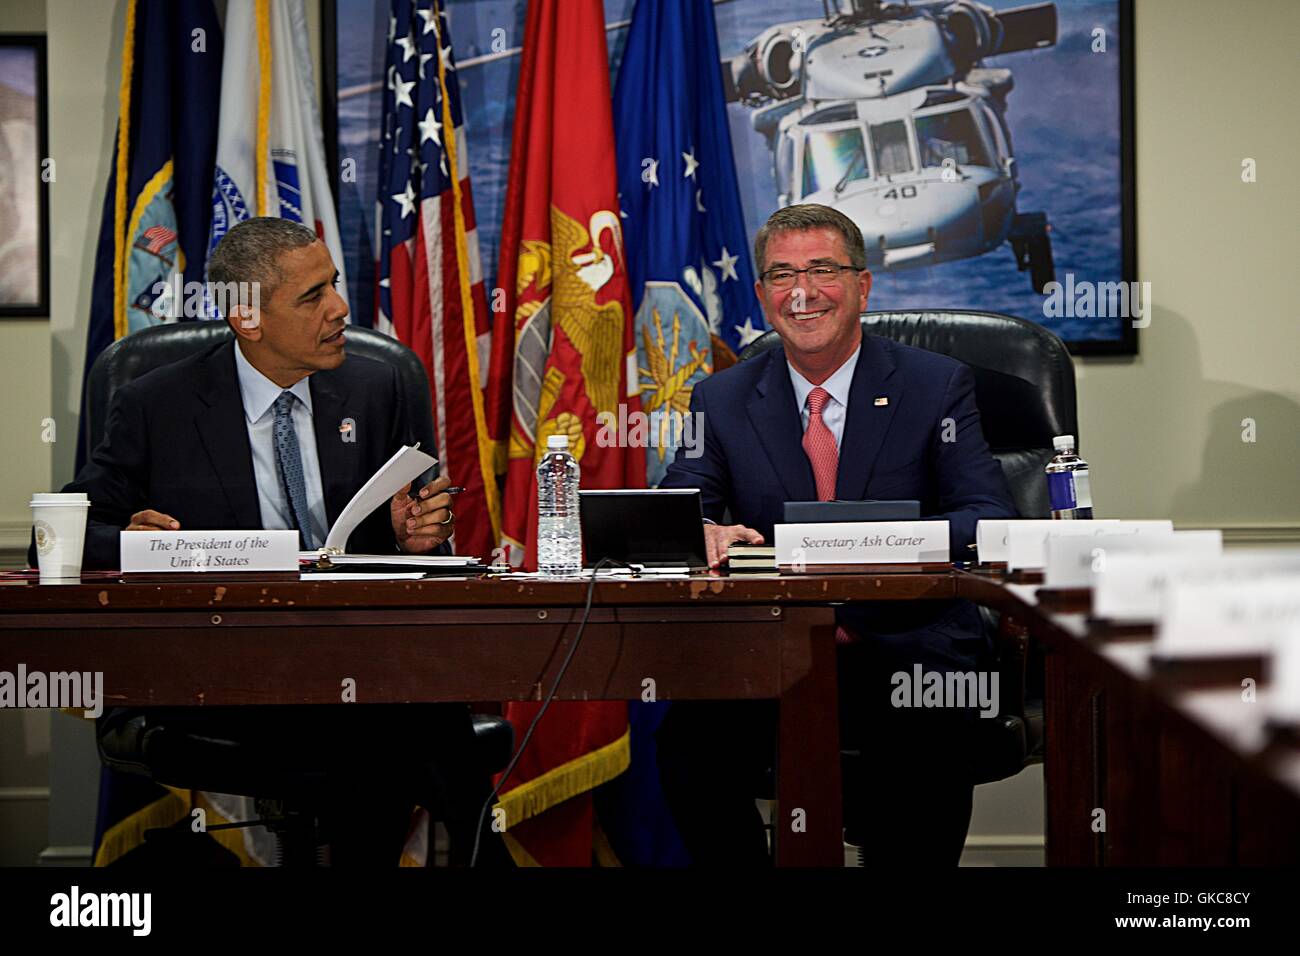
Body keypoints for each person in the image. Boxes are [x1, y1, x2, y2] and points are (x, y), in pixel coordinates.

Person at [45, 217, 503, 866]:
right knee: (405, 740)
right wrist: (129, 541)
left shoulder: (376, 387)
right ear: (248, 319)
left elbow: (394, 532)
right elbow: (63, 537)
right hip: (226, 664)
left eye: (335, 286)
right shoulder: (158, 405)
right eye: (313, 296)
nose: (341, 309)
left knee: (423, 724)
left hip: (353, 656)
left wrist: (409, 535)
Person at [656, 203, 1018, 866]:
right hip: (770, 647)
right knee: (687, 752)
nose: (803, 291)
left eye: (822, 270)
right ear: (763, 295)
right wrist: (702, 532)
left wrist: (857, 544)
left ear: (862, 285)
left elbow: (988, 518)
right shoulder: (722, 399)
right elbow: (678, 510)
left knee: (928, 743)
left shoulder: (935, 387)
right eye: (782, 275)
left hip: (909, 643)